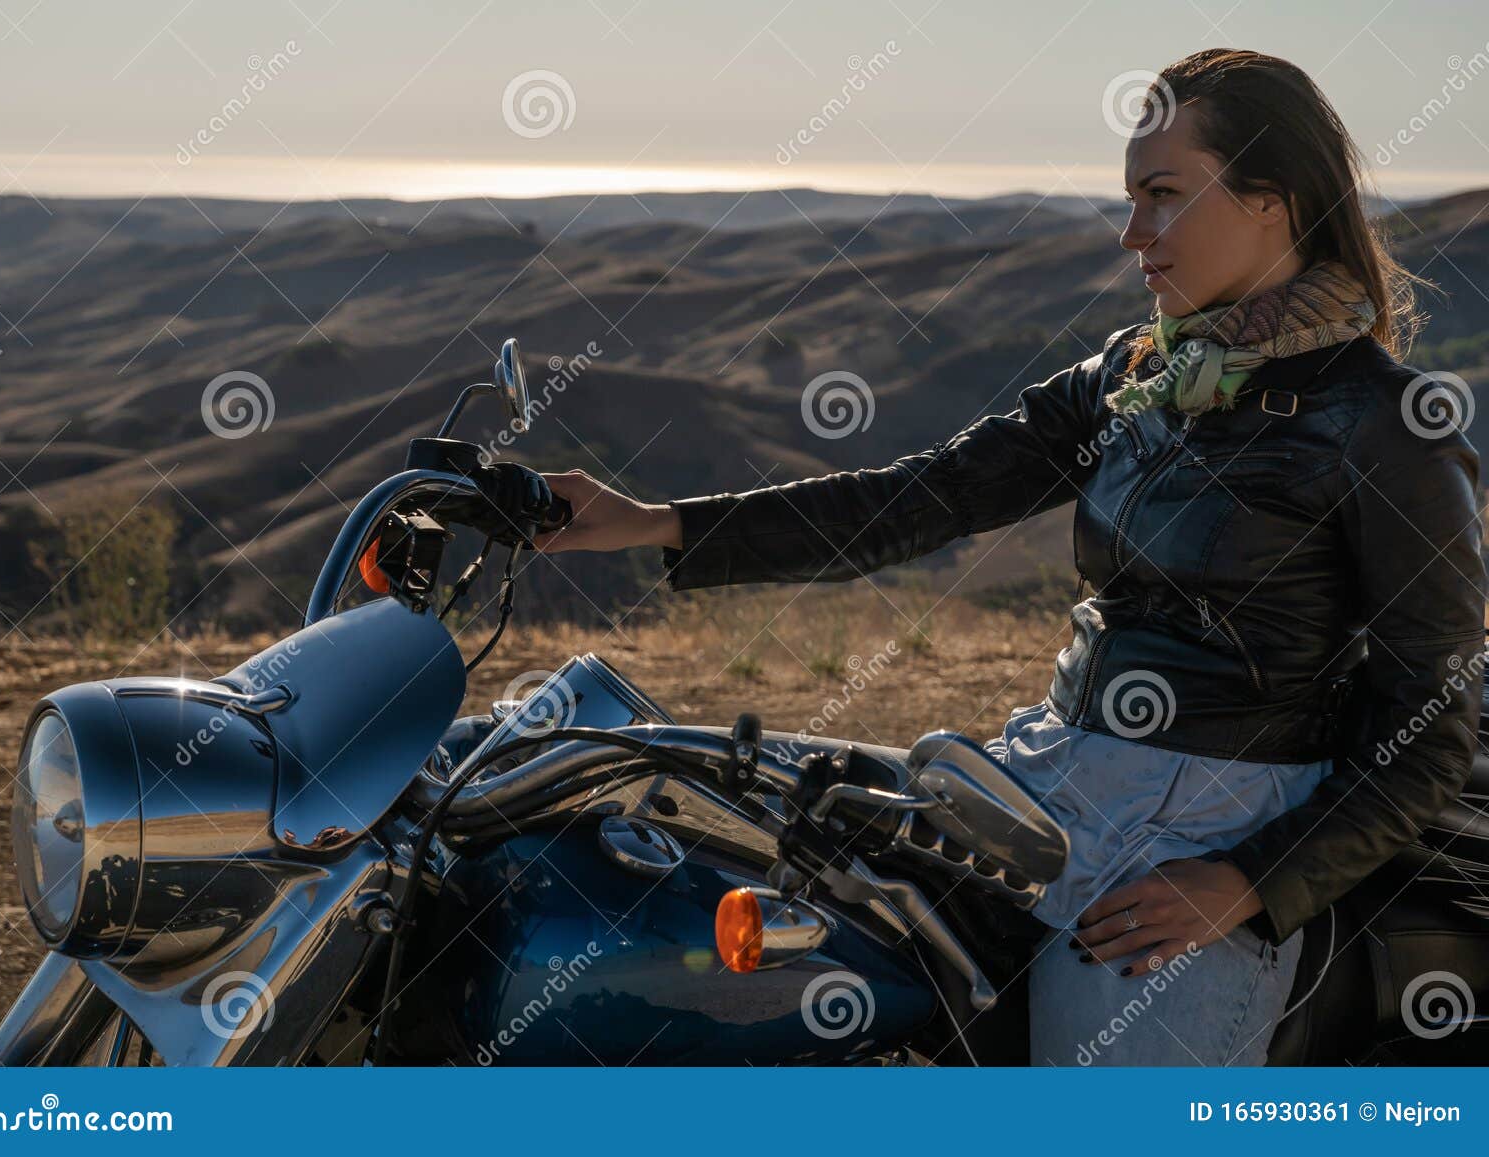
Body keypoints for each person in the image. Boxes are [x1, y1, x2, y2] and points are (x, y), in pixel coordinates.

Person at [531, 48, 1484, 1065]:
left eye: (1161, 196)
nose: (1132, 236)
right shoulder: (1134, 373)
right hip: (1046, 776)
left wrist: (1251, 881)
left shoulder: (1386, 427)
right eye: (1128, 199)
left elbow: (1428, 726)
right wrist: (653, 520)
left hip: (1206, 839)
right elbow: (916, 498)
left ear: (1270, 200)